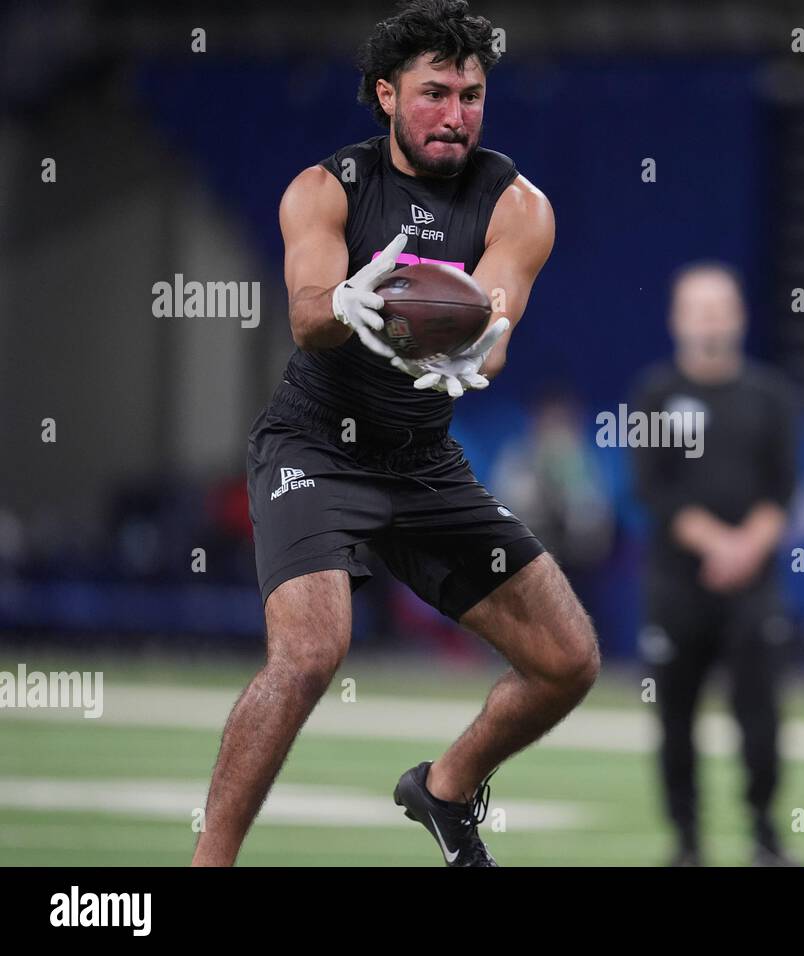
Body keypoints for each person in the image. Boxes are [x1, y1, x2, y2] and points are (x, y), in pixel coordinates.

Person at [192, 0, 600, 868]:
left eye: (472, 94)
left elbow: (491, 337)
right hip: (314, 448)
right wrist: (347, 304)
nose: (456, 115)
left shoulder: (519, 205)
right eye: (433, 93)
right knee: (310, 653)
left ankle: (444, 791)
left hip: (421, 460)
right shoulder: (324, 187)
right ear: (384, 95)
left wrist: (471, 342)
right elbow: (306, 316)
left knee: (568, 660)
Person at [630, 262, 800, 866]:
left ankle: (763, 830)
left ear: (739, 315)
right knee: (675, 716)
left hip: (753, 587)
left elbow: (783, 488)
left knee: (761, 714)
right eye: (697, 309)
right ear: (677, 318)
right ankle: (687, 841)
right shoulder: (655, 393)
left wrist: (747, 546)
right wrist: (714, 545)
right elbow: (651, 490)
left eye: (719, 307)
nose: (709, 320)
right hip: (678, 585)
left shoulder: (769, 396)